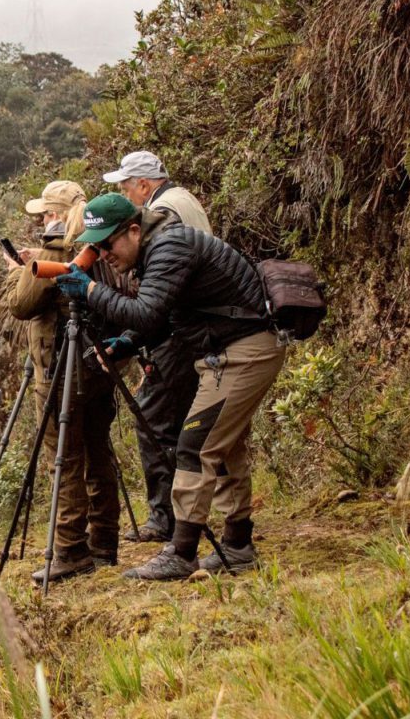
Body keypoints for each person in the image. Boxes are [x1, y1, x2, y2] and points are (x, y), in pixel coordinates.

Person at [66, 193, 287, 580]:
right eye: (95, 247)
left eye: (107, 244)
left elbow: (146, 311)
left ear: (134, 230)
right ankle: (237, 546)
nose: (102, 255)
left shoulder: (169, 247)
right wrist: (127, 343)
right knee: (225, 446)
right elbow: (163, 316)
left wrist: (89, 291)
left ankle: (182, 552)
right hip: (235, 346)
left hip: (245, 349)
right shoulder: (160, 247)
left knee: (195, 445)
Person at [4, 181, 129, 584]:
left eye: (44, 213)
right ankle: (104, 541)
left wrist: (19, 272)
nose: (42, 219)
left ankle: (70, 549)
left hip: (61, 365)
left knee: (65, 457)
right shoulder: (99, 242)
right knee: (97, 446)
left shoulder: (59, 251)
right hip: (99, 361)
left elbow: (22, 305)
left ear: (57, 213)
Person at [104, 150, 211, 543]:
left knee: (153, 422)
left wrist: (136, 332)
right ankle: (189, 515)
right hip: (195, 326)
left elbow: (162, 289)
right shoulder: (185, 199)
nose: (123, 196)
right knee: (188, 426)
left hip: (177, 332)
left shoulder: (162, 213)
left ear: (144, 185)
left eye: (124, 187)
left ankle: (166, 518)